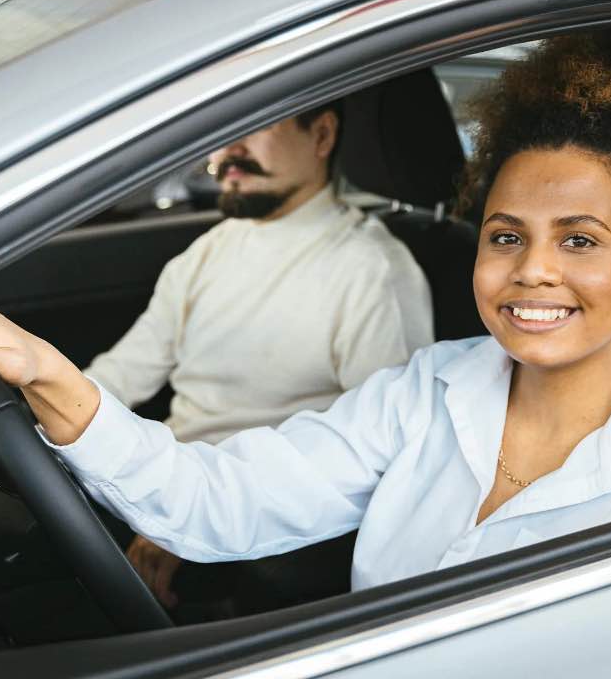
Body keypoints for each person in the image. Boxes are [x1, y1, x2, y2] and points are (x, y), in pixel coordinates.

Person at [0, 29, 611, 595]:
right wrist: (43, 371)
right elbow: (217, 501)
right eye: (505, 237)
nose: (532, 272)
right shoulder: (428, 392)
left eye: (578, 241)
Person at [85, 102, 433, 603]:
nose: (230, 150)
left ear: (322, 136)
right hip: (160, 485)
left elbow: (385, 454)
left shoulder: (371, 270)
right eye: (223, 128)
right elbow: (124, 373)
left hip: (253, 523)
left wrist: (200, 524)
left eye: (255, 123)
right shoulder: (211, 249)